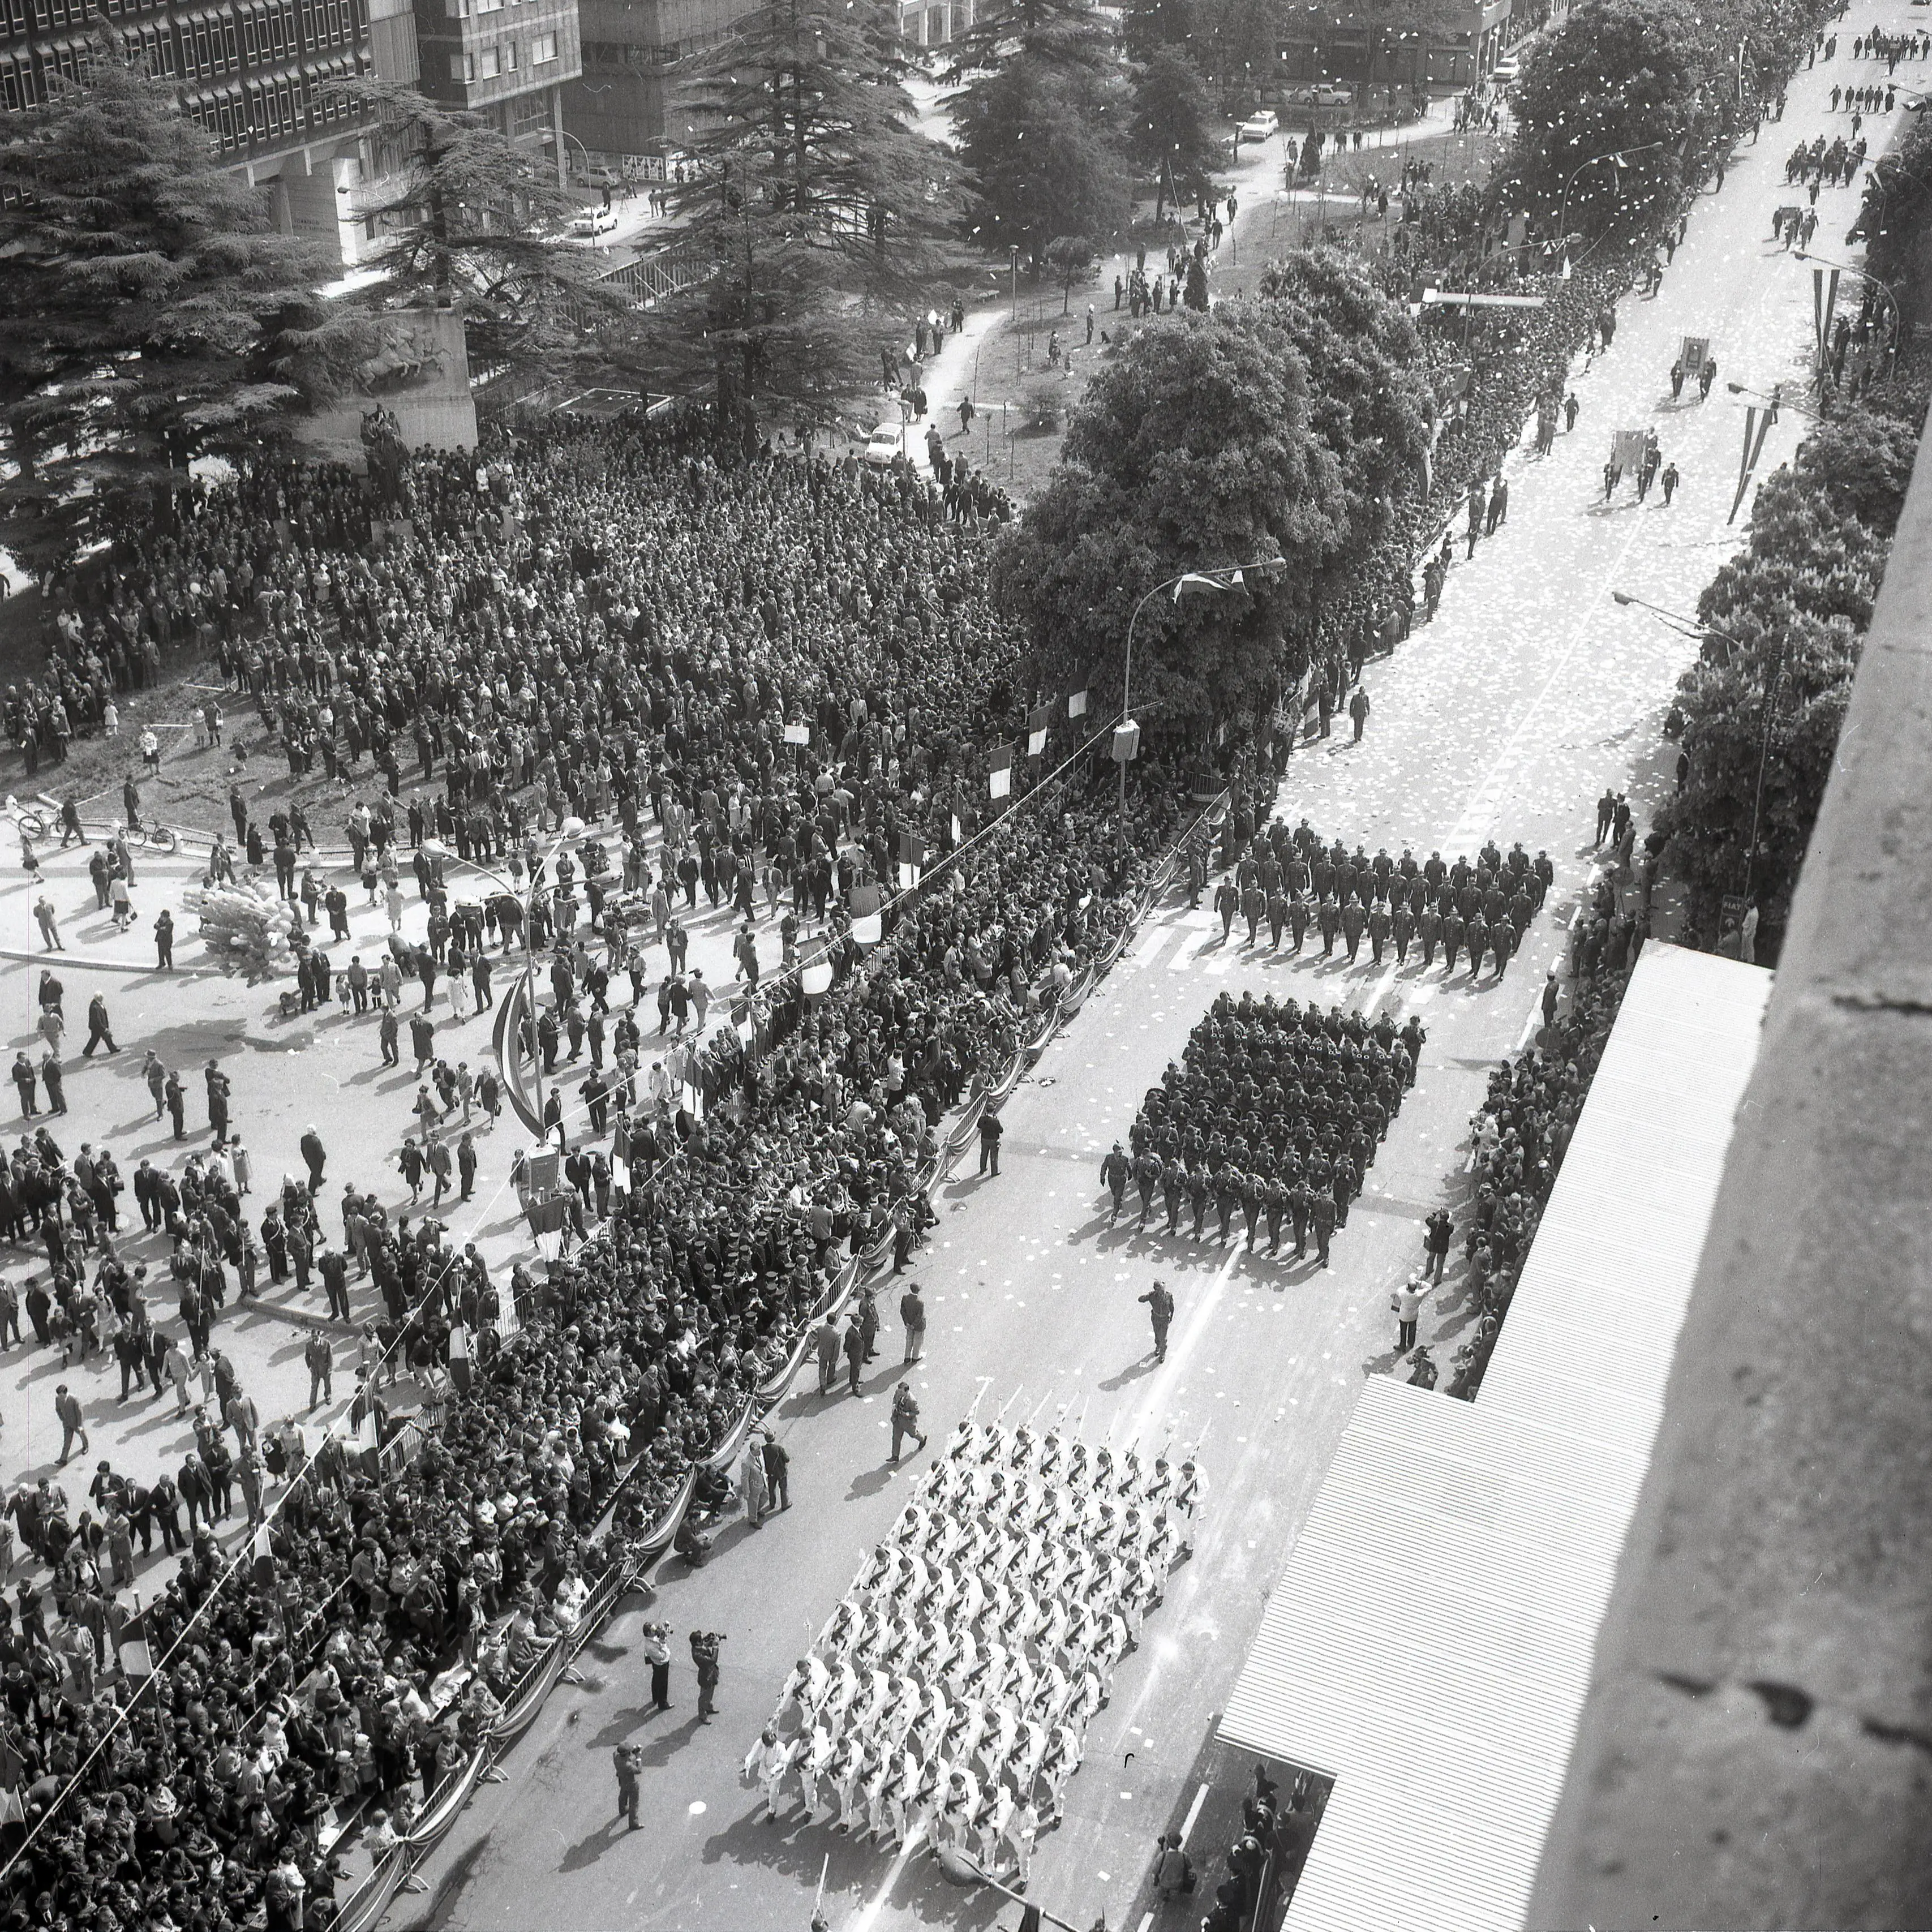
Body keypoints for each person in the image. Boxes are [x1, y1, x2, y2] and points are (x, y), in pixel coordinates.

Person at [1138, 1279, 1175, 1362]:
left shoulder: (1169, 1296)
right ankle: (1158, 1346)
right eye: (1161, 1290)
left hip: (1165, 1320)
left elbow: (1172, 1308)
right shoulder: (1152, 1296)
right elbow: (1140, 1299)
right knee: (1157, 1335)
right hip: (1156, 1319)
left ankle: (1162, 1353)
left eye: (1163, 1289)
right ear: (1157, 1290)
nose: (1163, 1291)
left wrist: (1170, 1318)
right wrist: (1148, 1296)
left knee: (1163, 1338)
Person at [690, 1629, 723, 1721]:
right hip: (706, 1677)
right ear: (697, 1642)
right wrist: (715, 1647)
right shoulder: (697, 1655)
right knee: (704, 1696)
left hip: (711, 1673)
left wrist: (709, 1637)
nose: (703, 1640)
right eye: (701, 1639)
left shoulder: (698, 1646)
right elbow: (713, 1660)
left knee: (710, 1692)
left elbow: (704, 1644)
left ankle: (708, 1707)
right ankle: (702, 1715)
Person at [890, 1382, 927, 1463]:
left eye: (902, 1392)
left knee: (913, 1434)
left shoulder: (912, 1400)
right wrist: (894, 1406)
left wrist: (907, 1414)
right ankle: (895, 1456)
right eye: (899, 1391)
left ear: (906, 1392)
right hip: (898, 1420)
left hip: (908, 1423)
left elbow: (917, 1412)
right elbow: (895, 1399)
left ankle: (923, 1439)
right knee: (896, 1438)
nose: (900, 1393)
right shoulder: (898, 1392)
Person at [614, 1742, 643, 1828]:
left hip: (622, 1781)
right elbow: (639, 1770)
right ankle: (633, 1823)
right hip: (631, 1785)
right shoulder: (628, 1766)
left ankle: (622, 1810)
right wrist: (638, 1757)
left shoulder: (616, 1758)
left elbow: (625, 1759)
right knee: (634, 1803)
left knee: (623, 1795)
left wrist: (632, 1755)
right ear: (627, 1754)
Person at [900, 1282, 926, 1363]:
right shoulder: (920, 1303)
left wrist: (907, 1323)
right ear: (918, 1291)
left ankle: (907, 1357)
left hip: (908, 1324)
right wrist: (914, 1325)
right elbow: (920, 1316)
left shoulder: (905, 1298)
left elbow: (903, 1311)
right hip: (918, 1326)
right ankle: (915, 1357)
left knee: (909, 1340)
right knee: (917, 1341)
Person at [977, 1108, 1002, 1177]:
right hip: (993, 1140)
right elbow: (1001, 1130)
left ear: (986, 1111)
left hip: (984, 1139)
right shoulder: (995, 1121)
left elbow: (979, 1126)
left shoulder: (982, 1119)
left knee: (984, 1154)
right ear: (994, 1111)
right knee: (994, 1156)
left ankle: (982, 1169)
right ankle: (994, 1171)